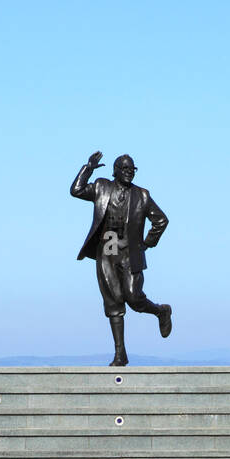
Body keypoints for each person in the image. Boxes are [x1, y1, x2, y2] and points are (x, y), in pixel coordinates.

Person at [70, 151, 172, 366]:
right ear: (115, 171)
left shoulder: (142, 195)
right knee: (113, 302)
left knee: (134, 297)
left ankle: (161, 311)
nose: (129, 173)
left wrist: (147, 243)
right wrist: (88, 167)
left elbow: (161, 220)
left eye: (132, 170)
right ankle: (120, 355)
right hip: (107, 251)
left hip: (130, 253)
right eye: (125, 169)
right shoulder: (102, 187)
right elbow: (76, 190)